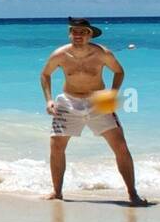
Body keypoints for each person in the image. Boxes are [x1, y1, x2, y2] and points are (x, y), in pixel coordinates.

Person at [40, 17, 148, 205]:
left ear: (90, 35)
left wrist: (113, 94)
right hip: (68, 102)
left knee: (120, 146)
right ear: (69, 34)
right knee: (56, 146)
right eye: (74, 31)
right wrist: (49, 100)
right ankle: (57, 192)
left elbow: (119, 71)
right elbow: (45, 74)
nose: (78, 35)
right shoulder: (60, 54)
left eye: (83, 32)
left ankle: (133, 194)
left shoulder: (102, 53)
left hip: (98, 101)